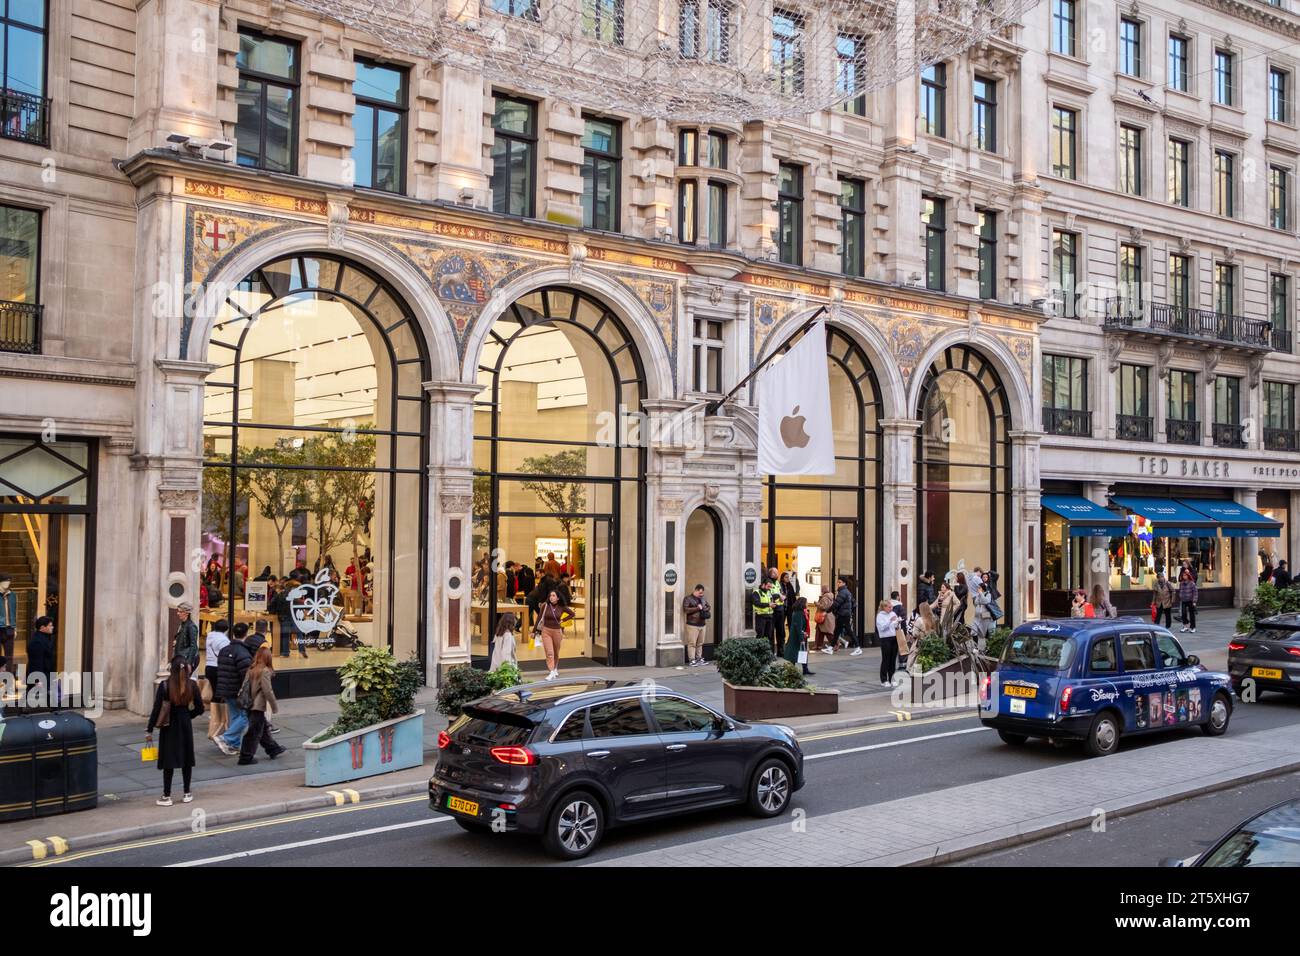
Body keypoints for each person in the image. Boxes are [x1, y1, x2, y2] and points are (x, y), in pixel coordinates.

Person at [146, 655, 204, 806]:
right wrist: (188, 715)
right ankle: (187, 793)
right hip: (185, 723)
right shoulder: (192, 685)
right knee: (187, 759)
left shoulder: (165, 686)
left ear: (172, 669)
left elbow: (156, 709)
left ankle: (167, 796)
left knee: (168, 760)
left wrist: (149, 729)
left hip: (169, 725)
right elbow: (200, 708)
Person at [238, 646, 286, 765]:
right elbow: (267, 691)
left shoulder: (251, 669)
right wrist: (274, 706)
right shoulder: (264, 671)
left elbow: (244, 686)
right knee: (254, 732)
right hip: (257, 705)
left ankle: (273, 749)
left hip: (248, 703)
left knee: (262, 728)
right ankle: (246, 756)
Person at [215, 624, 254, 756]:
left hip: (226, 689)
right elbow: (246, 675)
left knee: (235, 715)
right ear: (246, 634)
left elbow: (220, 670)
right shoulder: (243, 652)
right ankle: (226, 738)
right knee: (244, 716)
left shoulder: (224, 650)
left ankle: (234, 745)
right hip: (238, 690)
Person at [203, 619, 231, 743]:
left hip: (209, 666)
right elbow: (227, 655)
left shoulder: (210, 636)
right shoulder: (224, 640)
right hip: (218, 667)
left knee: (215, 692)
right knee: (220, 693)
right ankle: (219, 719)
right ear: (226, 629)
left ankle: (215, 716)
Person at [536, 590, 573, 680]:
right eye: (550, 595)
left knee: (556, 652)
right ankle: (551, 671)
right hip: (546, 631)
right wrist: (534, 631)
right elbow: (539, 618)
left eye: (553, 595)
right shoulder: (545, 605)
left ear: (558, 598)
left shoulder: (562, 607)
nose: (551, 597)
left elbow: (572, 614)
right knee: (549, 652)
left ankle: (555, 668)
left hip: (557, 631)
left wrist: (563, 620)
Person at [269, 578, 307, 659]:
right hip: (295, 617)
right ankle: (302, 650)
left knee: (285, 635)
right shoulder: (295, 596)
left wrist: (274, 612)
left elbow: (273, 604)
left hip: (284, 617)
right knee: (299, 633)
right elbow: (300, 605)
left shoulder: (280, 595)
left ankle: (285, 653)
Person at [783, 595, 813, 676]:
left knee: (803, 653)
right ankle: (791, 670)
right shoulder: (798, 613)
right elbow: (798, 627)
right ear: (803, 603)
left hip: (802, 635)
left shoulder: (802, 612)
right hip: (797, 636)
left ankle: (805, 669)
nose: (807, 604)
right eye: (806, 602)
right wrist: (802, 639)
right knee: (794, 653)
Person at [26, 616, 56, 697]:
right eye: (50, 625)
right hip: (41, 677)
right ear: (42, 627)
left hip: (47, 676)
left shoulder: (45, 638)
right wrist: (37, 680)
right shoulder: (37, 642)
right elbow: (35, 663)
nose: (52, 627)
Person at [682, 584, 711, 667]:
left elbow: (709, 606)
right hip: (692, 624)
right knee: (692, 643)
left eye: (702, 593)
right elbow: (686, 610)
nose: (701, 594)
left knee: (700, 643)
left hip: (702, 624)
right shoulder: (688, 598)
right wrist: (698, 608)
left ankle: (699, 658)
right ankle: (692, 660)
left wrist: (704, 608)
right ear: (695, 590)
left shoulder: (703, 598)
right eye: (700, 593)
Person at [750, 575, 779, 654]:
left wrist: (775, 602)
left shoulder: (769, 592)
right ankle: (759, 653)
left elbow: (772, 599)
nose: (769, 588)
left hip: (769, 617)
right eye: (768, 586)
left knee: (768, 636)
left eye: (770, 587)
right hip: (761, 617)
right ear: (763, 584)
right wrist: (768, 605)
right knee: (760, 635)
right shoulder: (756, 592)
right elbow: (757, 603)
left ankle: (766, 654)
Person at [875, 599, 901, 687]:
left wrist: (897, 622)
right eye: (889, 607)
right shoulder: (880, 616)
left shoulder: (893, 614)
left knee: (893, 659)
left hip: (894, 637)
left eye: (891, 607)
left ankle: (891, 678)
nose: (891, 609)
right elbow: (882, 628)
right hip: (885, 638)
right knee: (886, 659)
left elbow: (895, 626)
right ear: (884, 607)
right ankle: (884, 680)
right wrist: (890, 620)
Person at [832, 576, 858, 656]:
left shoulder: (843, 592)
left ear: (844, 583)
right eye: (838, 582)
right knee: (837, 631)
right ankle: (831, 646)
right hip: (843, 614)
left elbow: (836, 604)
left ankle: (857, 645)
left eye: (840, 582)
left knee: (847, 630)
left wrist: (828, 611)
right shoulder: (846, 592)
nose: (838, 584)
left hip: (843, 614)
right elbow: (854, 603)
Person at [172, 603, 200, 674]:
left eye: (180, 612)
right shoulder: (183, 624)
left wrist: (189, 663)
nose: (178, 613)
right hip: (181, 657)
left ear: (187, 613)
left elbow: (193, 646)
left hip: (187, 658)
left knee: (184, 682)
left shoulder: (191, 626)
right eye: (178, 611)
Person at [0, 575, 16, 676]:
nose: (8, 583)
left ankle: (8, 678)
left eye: (9, 581)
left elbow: (14, 611)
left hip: (9, 628)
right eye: (6, 581)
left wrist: (15, 627)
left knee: (9, 656)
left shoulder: (12, 595)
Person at [769, 569, 788, 657]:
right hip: (773, 610)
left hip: (780, 609)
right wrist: (779, 596)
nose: (777, 574)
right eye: (776, 573)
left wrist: (783, 596)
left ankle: (781, 651)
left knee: (781, 631)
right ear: (772, 573)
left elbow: (782, 592)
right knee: (771, 632)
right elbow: (769, 595)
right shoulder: (768, 582)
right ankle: (771, 652)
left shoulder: (777, 583)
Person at [971, 579, 995, 645]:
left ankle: (988, 647)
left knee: (986, 633)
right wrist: (979, 595)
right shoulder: (978, 595)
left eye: (979, 588)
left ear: (983, 588)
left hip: (985, 617)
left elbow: (986, 601)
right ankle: (975, 647)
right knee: (973, 631)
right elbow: (975, 602)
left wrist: (981, 594)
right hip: (977, 617)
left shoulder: (988, 594)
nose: (978, 589)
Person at [815, 583, 837, 654]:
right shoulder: (829, 596)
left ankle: (835, 644)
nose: (821, 590)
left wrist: (817, 604)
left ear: (823, 590)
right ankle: (818, 645)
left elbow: (824, 607)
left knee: (827, 632)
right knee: (819, 631)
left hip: (824, 617)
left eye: (822, 589)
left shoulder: (825, 597)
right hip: (826, 616)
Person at [1178, 566, 1199, 633]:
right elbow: (1180, 591)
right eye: (1183, 575)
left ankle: (1193, 627)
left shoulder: (1192, 583)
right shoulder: (1181, 584)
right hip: (1183, 600)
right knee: (1183, 614)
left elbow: (1195, 592)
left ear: (1188, 576)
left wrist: (1194, 601)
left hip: (1190, 600)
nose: (1184, 576)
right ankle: (1185, 626)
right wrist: (1180, 596)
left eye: (1185, 575)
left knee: (1192, 614)